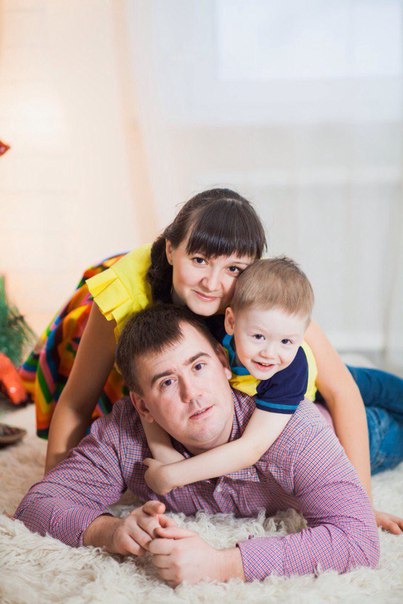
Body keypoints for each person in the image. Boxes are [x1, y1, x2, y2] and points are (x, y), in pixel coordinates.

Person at [18, 188, 403, 532]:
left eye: (233, 269)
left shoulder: (261, 297)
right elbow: (78, 400)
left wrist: (362, 505)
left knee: (382, 394)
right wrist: (61, 489)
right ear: (170, 249)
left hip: (300, 385)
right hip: (274, 394)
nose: (212, 283)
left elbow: (341, 390)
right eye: (200, 260)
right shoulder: (129, 296)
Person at [14, 304, 382, 586]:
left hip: (351, 430)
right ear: (143, 406)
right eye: (167, 382)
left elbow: (359, 539)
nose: (193, 394)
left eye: (199, 366)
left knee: (384, 406)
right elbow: (38, 504)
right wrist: (108, 530)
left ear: (223, 362)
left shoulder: (292, 429)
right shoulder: (126, 433)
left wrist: (222, 564)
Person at [142, 257, 316, 494]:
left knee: (368, 405)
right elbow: (144, 382)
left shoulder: (290, 369)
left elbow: (251, 449)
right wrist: (162, 449)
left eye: (286, 341)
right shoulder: (212, 332)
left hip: (313, 391)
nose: (269, 353)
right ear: (231, 322)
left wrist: (171, 475)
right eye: (258, 337)